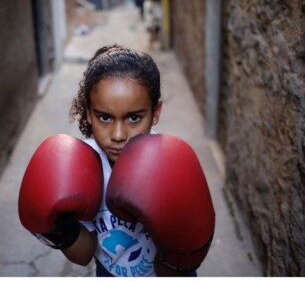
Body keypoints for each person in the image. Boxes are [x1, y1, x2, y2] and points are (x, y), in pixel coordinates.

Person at [17, 45, 215, 276]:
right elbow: (83, 256)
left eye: (134, 118)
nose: (119, 135)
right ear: (89, 113)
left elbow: (171, 271)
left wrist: (183, 255)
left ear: (156, 111)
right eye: (104, 117)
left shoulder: (170, 166)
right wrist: (62, 230)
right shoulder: (80, 167)